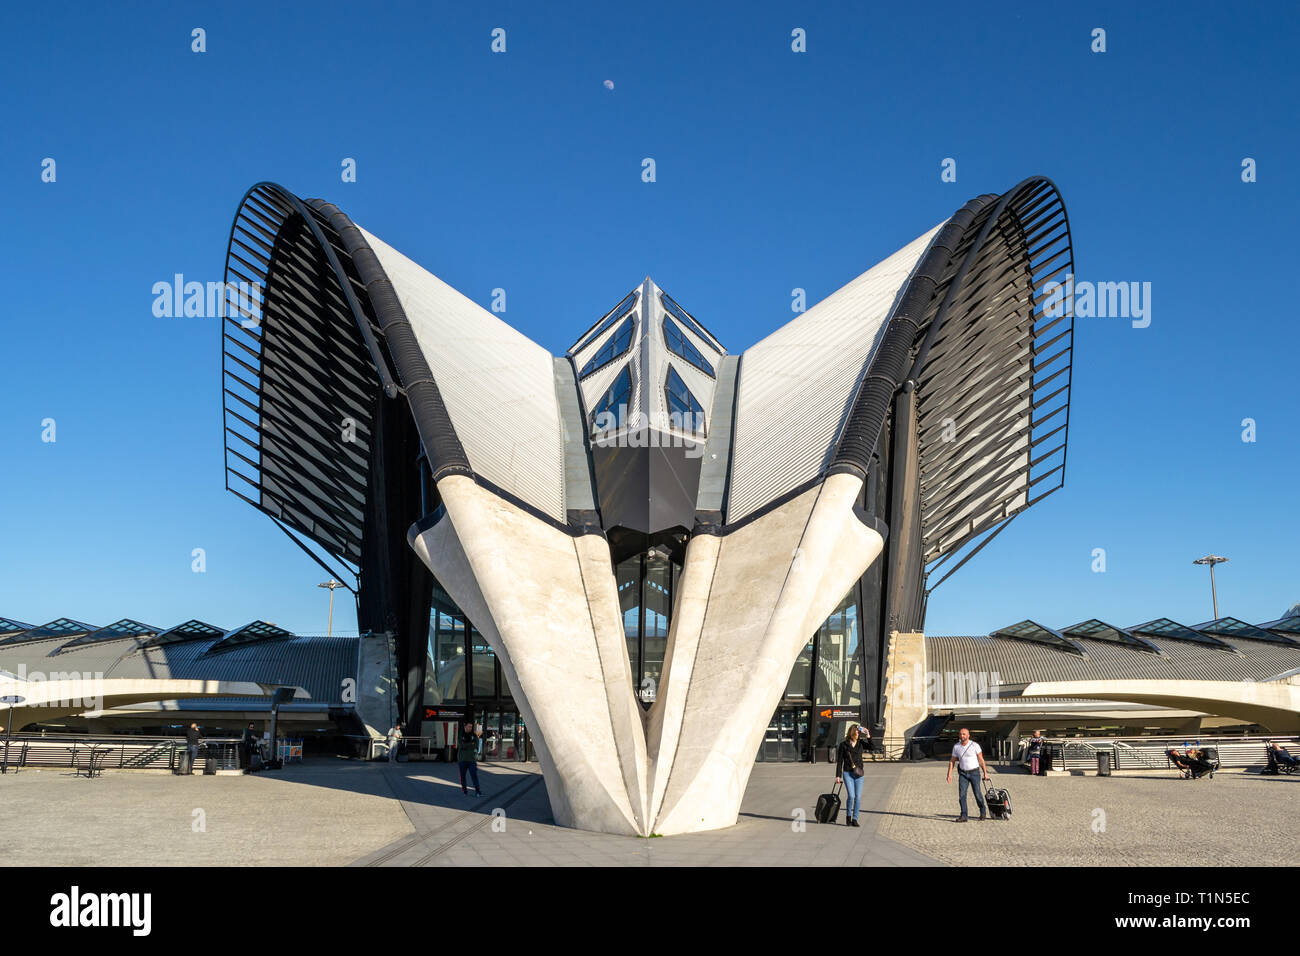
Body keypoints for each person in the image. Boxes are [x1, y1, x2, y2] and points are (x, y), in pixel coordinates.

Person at [946, 727, 989, 822]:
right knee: (962, 795)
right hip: (963, 773)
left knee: (977, 794)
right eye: (960, 734)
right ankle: (964, 815)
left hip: (974, 773)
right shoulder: (956, 747)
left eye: (964, 734)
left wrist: (985, 773)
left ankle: (982, 811)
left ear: (968, 735)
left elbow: (981, 760)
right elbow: (952, 761)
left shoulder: (975, 745)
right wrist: (949, 774)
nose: (962, 736)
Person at [834, 723, 869, 827]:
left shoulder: (861, 743)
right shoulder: (843, 745)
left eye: (859, 732)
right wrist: (838, 775)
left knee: (858, 797)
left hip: (859, 774)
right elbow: (840, 761)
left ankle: (855, 819)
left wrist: (867, 734)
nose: (858, 734)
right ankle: (848, 817)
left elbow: (873, 747)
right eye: (857, 732)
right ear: (852, 732)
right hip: (848, 773)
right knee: (851, 796)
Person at [457, 721, 483, 796]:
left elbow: (476, 746)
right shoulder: (461, 735)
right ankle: (464, 790)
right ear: (465, 727)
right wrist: (471, 744)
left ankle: (478, 791)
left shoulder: (474, 736)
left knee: (474, 775)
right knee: (462, 776)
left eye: (471, 727)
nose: (470, 728)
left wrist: (467, 745)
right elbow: (461, 746)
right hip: (462, 759)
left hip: (472, 759)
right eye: (469, 726)